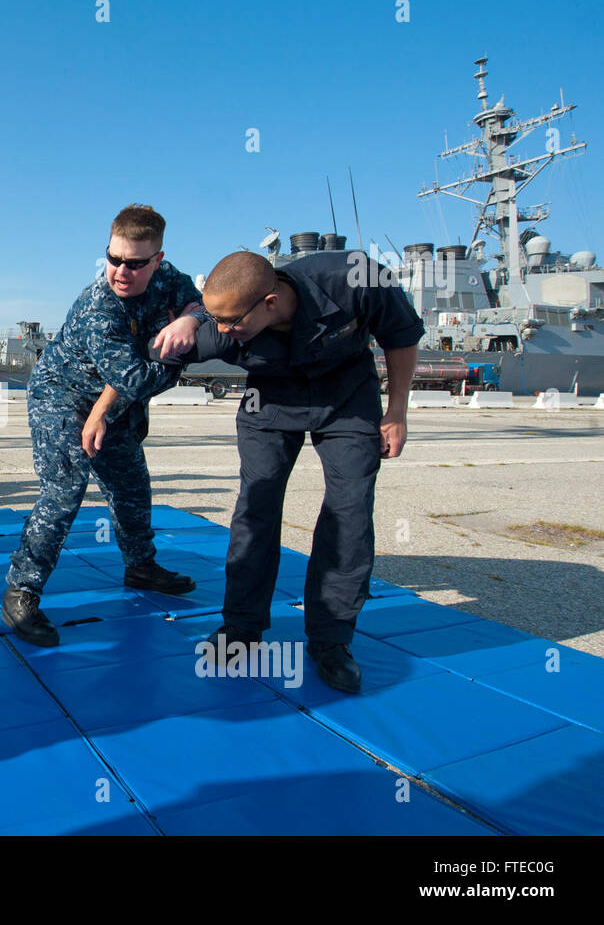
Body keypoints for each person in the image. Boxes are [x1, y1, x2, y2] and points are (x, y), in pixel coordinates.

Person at [176, 250, 423, 693]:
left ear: (270, 302)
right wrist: (190, 322)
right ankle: (241, 629)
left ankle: (331, 640)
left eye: (230, 321)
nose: (224, 330)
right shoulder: (226, 326)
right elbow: (156, 359)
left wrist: (397, 411)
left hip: (347, 398)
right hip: (267, 404)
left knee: (349, 512)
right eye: (217, 320)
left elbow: (400, 336)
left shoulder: (357, 278)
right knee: (256, 508)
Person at [1, 204, 208, 647]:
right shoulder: (100, 304)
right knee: (64, 488)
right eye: (113, 258)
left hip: (110, 403)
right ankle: (22, 590)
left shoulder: (171, 278)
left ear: (158, 259)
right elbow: (134, 378)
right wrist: (177, 363)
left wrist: (191, 318)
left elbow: (200, 303)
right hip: (62, 395)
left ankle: (141, 566)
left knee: (131, 484)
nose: (120, 271)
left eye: (135, 263)